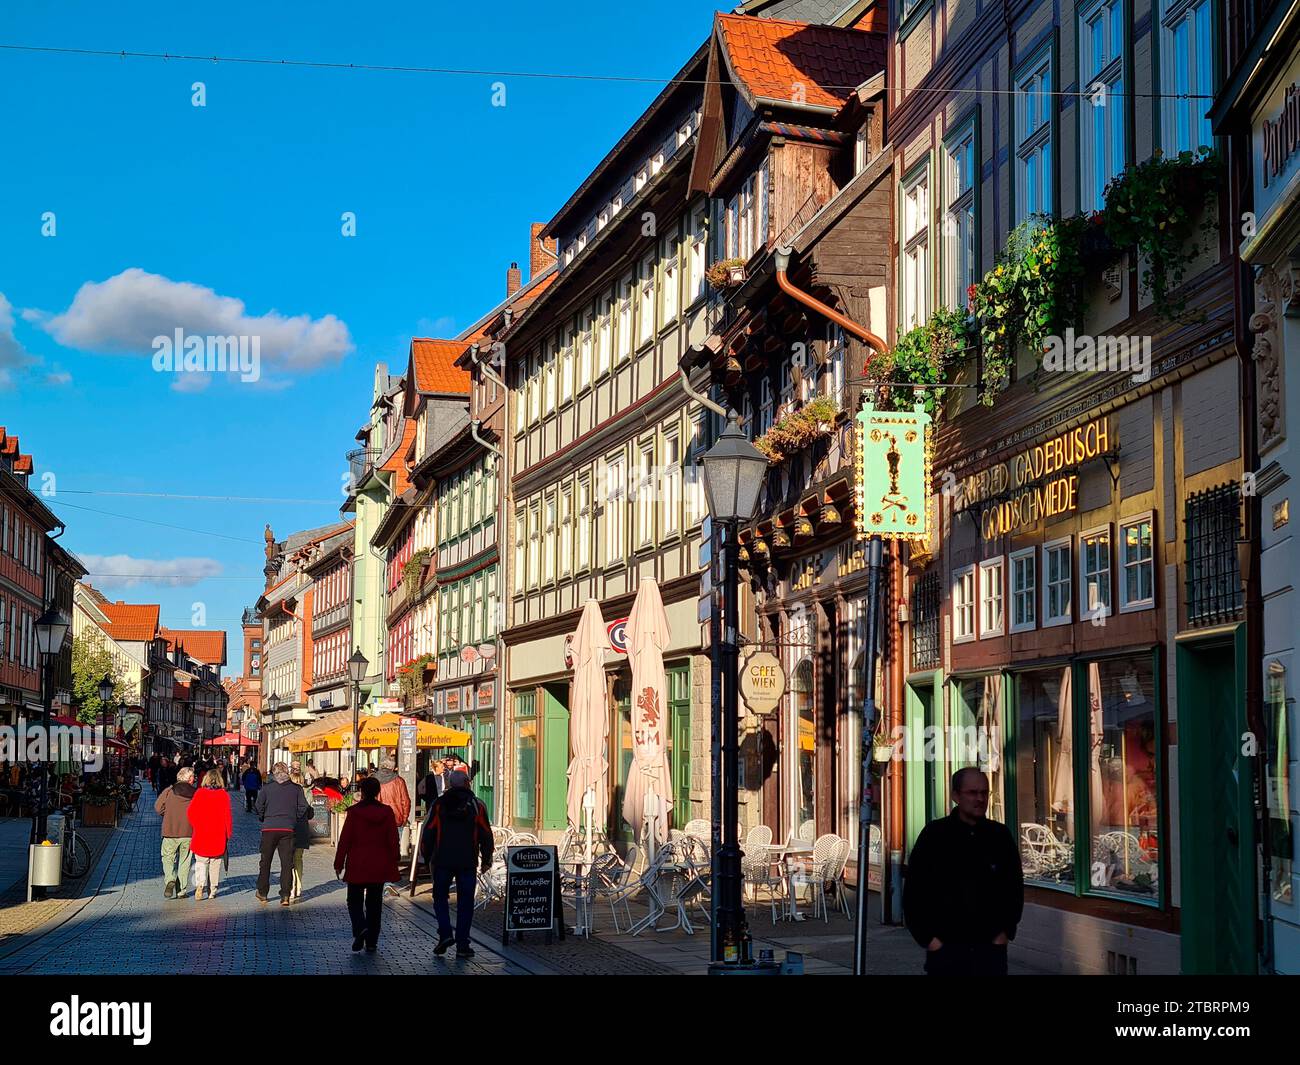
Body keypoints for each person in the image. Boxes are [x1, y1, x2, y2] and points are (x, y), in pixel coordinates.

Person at [903, 767, 1023, 976]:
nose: (980, 799)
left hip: (989, 952)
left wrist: (1004, 932)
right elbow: (915, 891)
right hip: (946, 952)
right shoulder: (935, 836)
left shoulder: (999, 836)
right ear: (956, 796)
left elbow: (1014, 888)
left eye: (984, 793)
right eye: (972, 793)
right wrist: (929, 939)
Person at [422, 768, 493, 960]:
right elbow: (486, 833)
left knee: (439, 898)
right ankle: (462, 944)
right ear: (468, 783)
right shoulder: (477, 805)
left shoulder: (439, 804)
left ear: (450, 784)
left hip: (442, 860)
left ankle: (445, 933)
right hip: (467, 860)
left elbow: (428, 831)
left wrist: (425, 856)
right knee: (465, 903)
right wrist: (487, 858)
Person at [334, 775, 400, 954]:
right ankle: (371, 941)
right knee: (374, 904)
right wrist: (395, 858)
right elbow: (393, 838)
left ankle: (360, 928)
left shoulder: (354, 812)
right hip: (379, 864)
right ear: (378, 792)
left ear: (361, 792)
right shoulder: (386, 812)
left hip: (357, 863)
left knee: (354, 901)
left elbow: (345, 840)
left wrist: (339, 862)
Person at [254, 762, 312, 906]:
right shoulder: (296, 789)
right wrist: (294, 818)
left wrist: (263, 817)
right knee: (287, 863)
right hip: (287, 829)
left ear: (274, 773)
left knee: (265, 862)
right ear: (287, 772)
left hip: (269, 829)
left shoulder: (267, 788)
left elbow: (258, 805)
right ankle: (285, 895)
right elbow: (304, 806)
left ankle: (263, 892)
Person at [187, 769, 233, 900]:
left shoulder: (200, 793)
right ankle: (213, 890)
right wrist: (228, 834)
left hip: (201, 834)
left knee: (201, 862)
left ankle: (200, 886)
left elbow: (191, 813)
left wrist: (197, 825)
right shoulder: (223, 795)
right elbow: (227, 817)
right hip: (218, 835)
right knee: (215, 864)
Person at [155, 766, 198, 899]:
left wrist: (167, 814)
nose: (194, 779)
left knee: (167, 857)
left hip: (170, 830)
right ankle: (181, 891)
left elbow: (158, 807)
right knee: (184, 861)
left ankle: (170, 879)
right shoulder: (196, 793)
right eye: (193, 777)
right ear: (190, 779)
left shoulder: (169, 791)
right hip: (188, 832)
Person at [288, 767, 314, 901]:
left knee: (289, 860)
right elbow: (310, 813)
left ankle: (292, 887)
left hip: (291, 830)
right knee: (298, 859)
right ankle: (298, 886)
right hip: (303, 829)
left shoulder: (288, 794)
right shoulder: (307, 793)